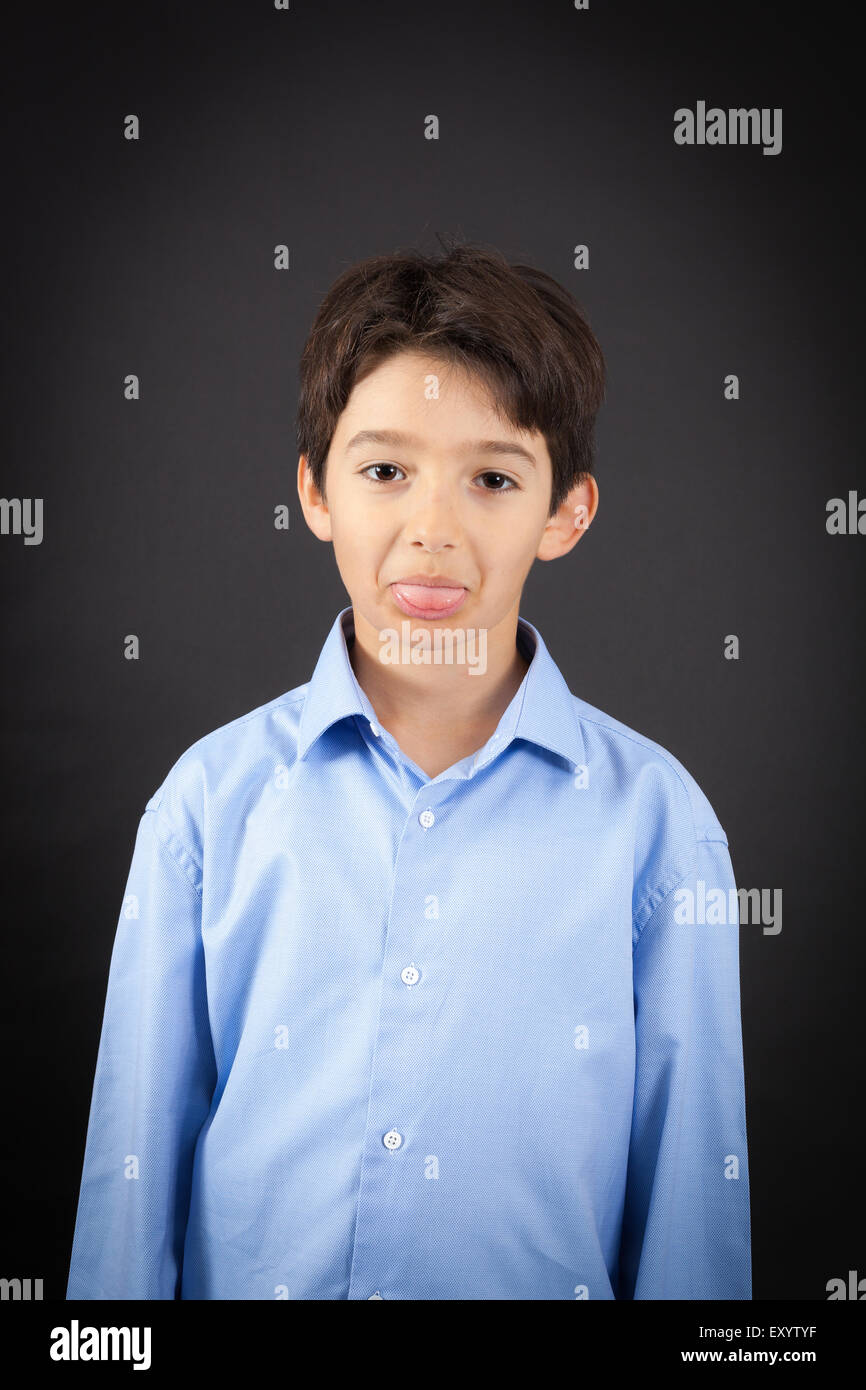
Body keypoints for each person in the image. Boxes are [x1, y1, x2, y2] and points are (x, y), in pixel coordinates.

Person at [66, 242, 751, 1300]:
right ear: (315, 491)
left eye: (490, 477)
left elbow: (692, 1219)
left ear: (564, 513)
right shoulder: (207, 807)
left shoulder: (657, 827)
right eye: (385, 471)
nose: (430, 530)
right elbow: (130, 1185)